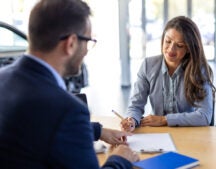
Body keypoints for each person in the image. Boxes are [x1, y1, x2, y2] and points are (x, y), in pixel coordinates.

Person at [0, 0, 139, 168]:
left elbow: (36, 123)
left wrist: (97, 131)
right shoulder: (68, 110)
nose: (87, 49)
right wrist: (120, 159)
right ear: (71, 44)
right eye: (88, 41)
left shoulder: (4, 78)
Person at [121, 16, 216, 132]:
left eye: (179, 45)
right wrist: (131, 120)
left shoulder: (199, 70)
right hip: (158, 134)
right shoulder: (148, 65)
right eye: (168, 41)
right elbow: (135, 106)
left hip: (189, 133)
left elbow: (204, 116)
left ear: (189, 49)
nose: (171, 49)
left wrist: (164, 120)